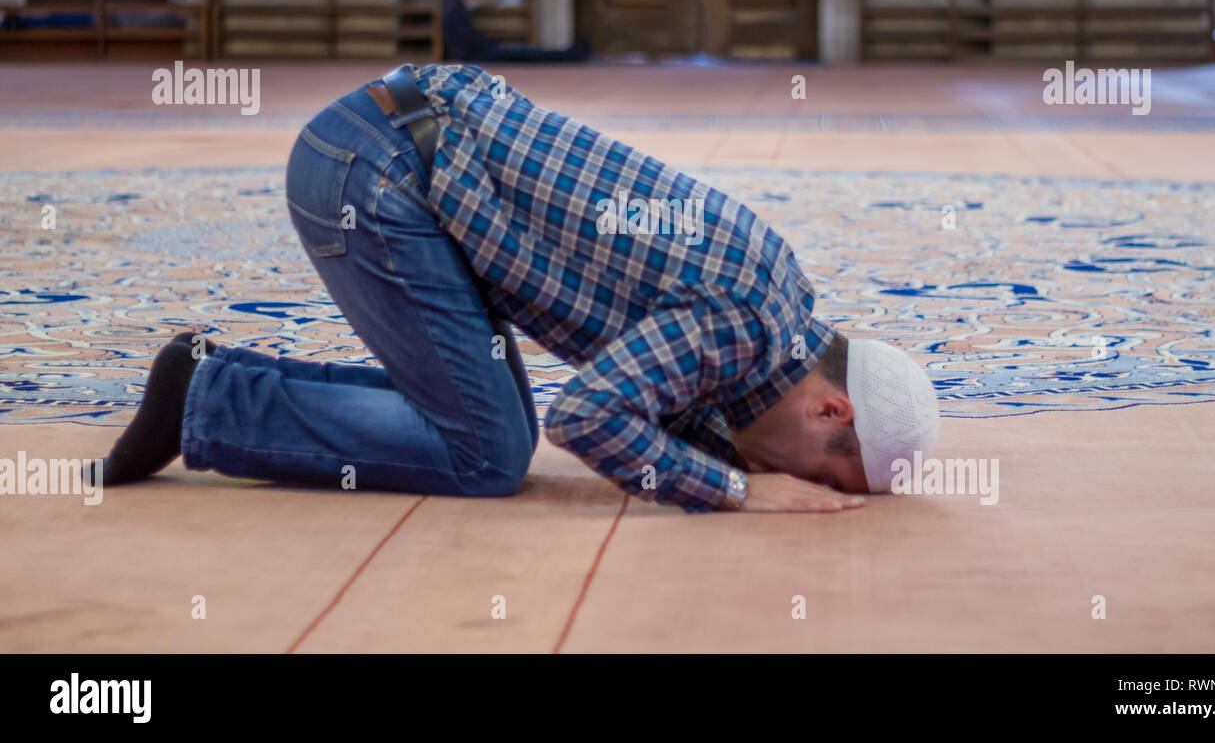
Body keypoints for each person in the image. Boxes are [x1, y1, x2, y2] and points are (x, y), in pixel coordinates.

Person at [90, 63, 941, 513]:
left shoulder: (778, 313)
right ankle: (209, 400)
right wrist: (742, 491)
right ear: (830, 410)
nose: (803, 489)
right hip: (372, 174)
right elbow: (590, 418)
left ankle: (206, 382)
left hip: (402, 153)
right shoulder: (743, 320)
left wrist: (725, 463)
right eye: (825, 480)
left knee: (490, 424)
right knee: (490, 453)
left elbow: (671, 404)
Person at [441, 0, 588, 63]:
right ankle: (569, 55)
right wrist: (489, 43)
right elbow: (467, 44)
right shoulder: (455, 12)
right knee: (526, 53)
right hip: (480, 54)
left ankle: (569, 54)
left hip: (482, 51)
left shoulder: (454, 7)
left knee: (526, 52)